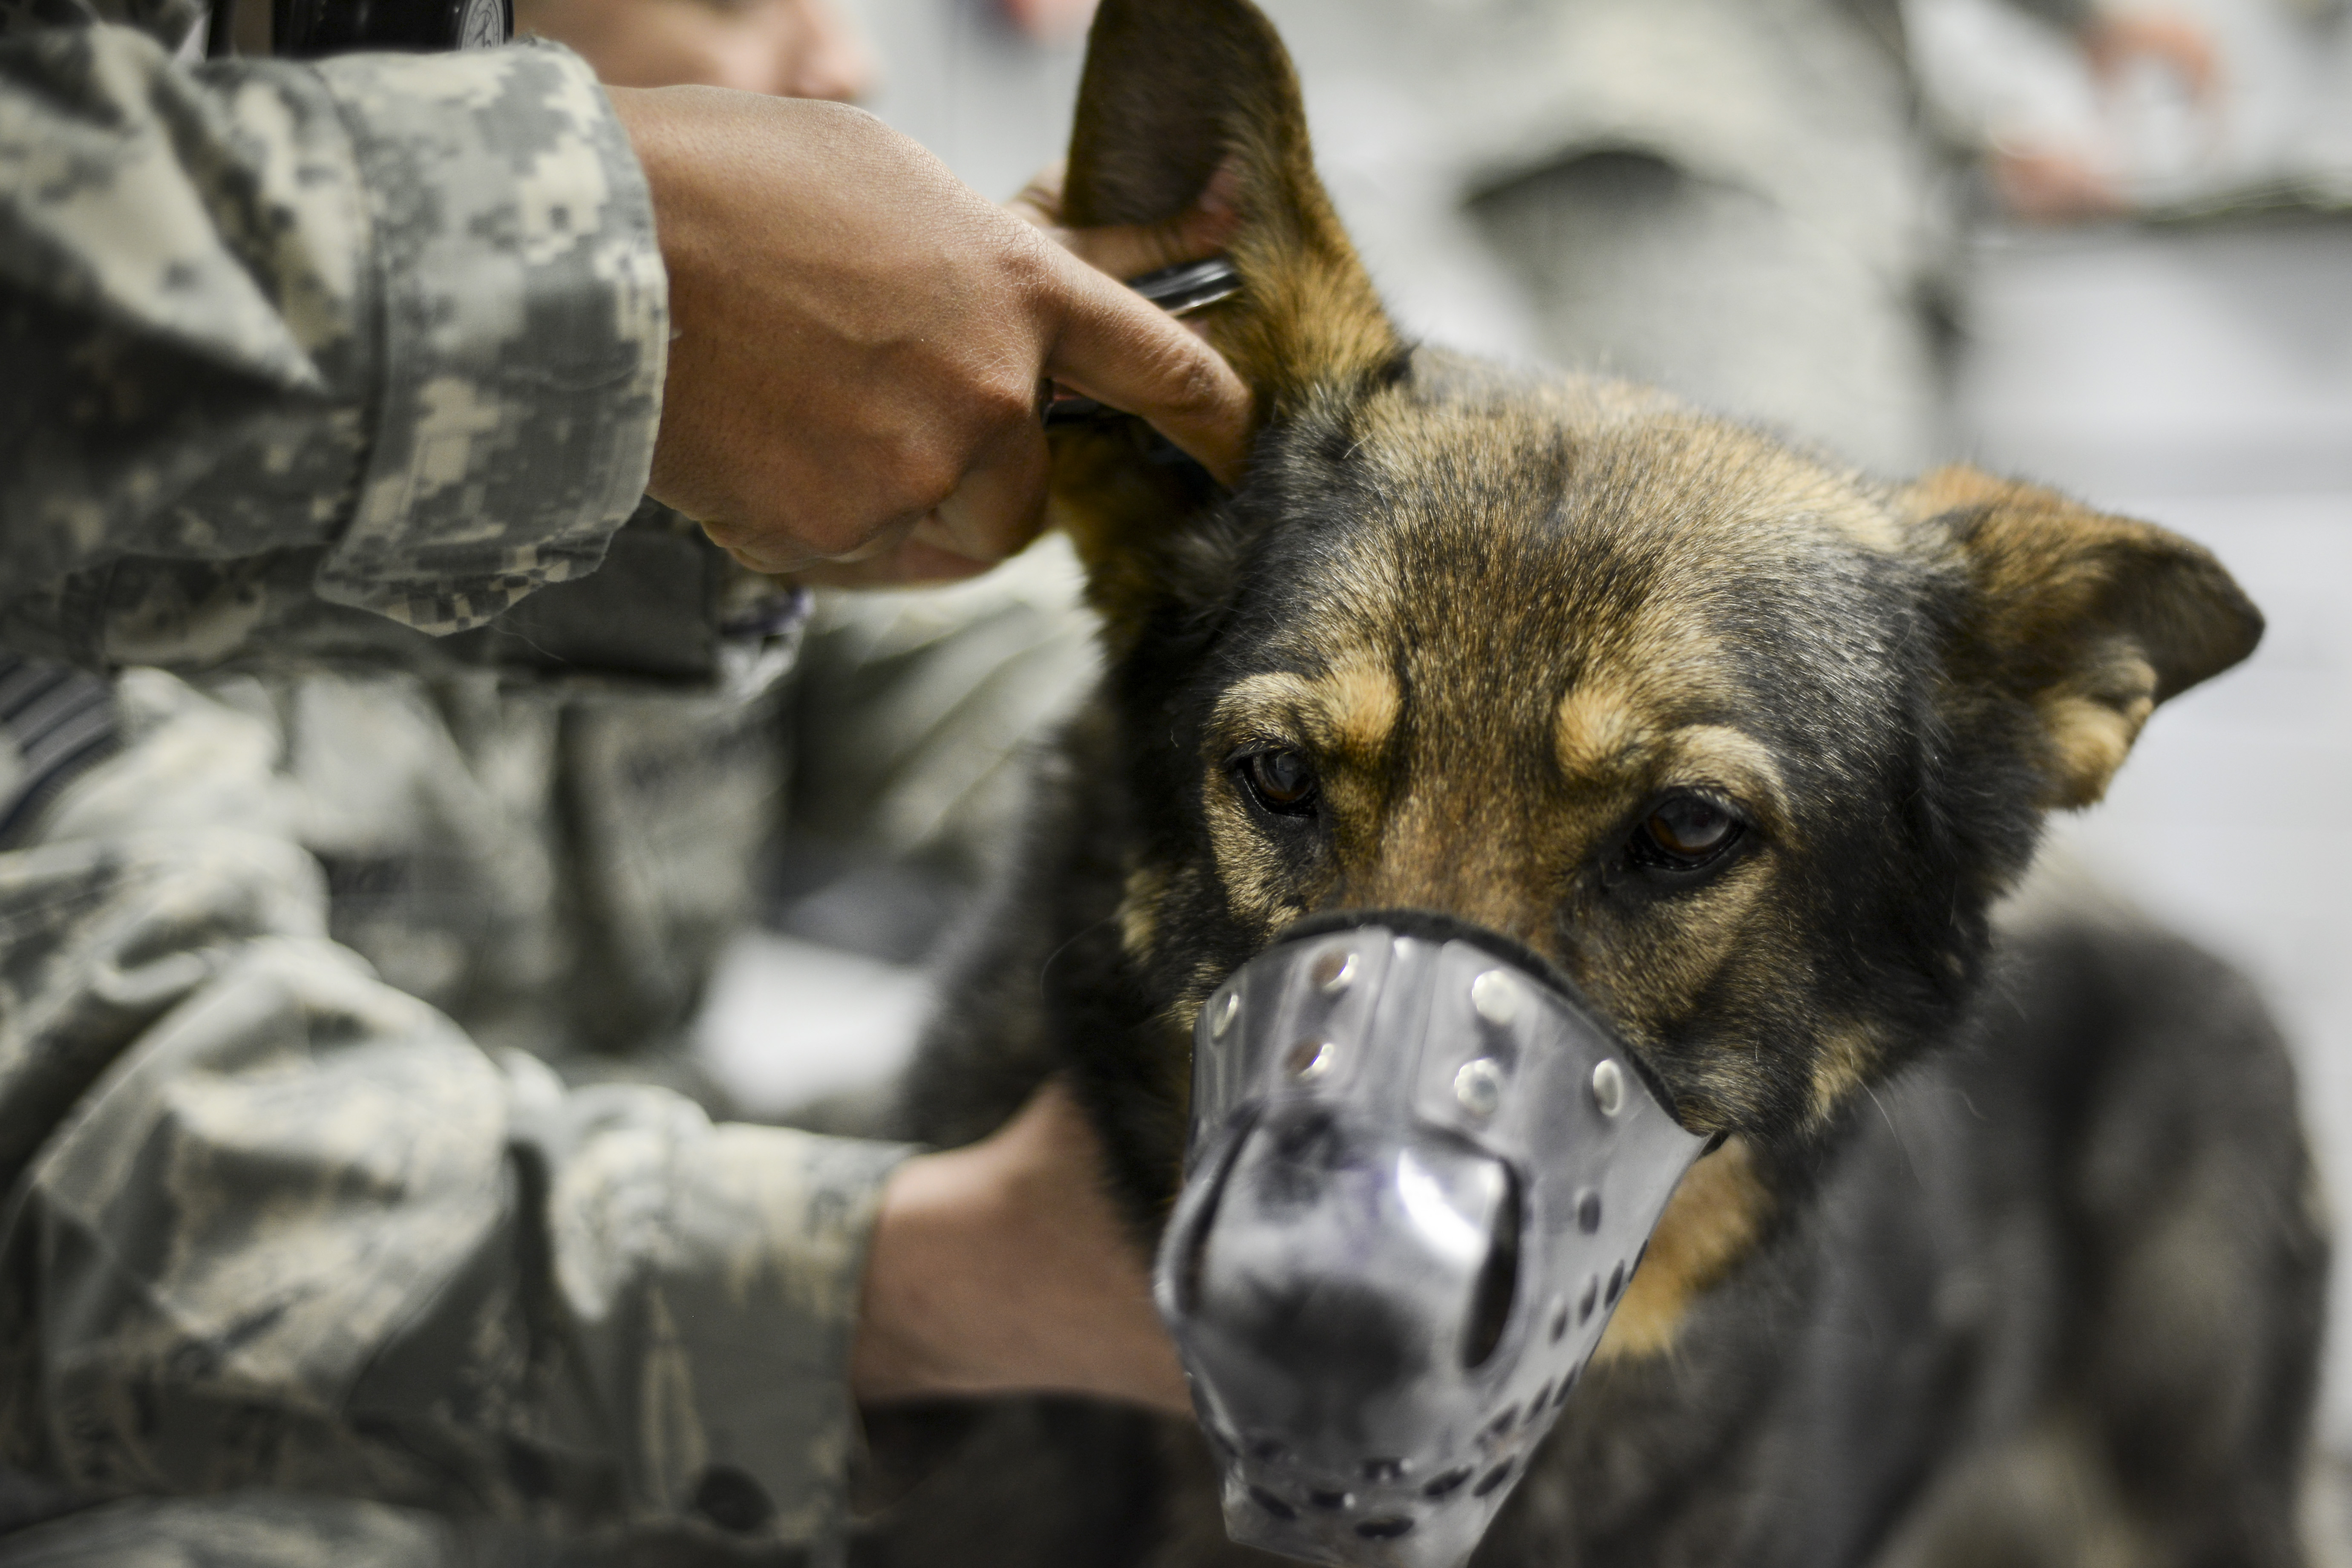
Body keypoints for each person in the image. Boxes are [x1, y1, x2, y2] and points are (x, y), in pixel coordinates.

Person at [0, 0, 1250, 1561]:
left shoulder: (645, 477)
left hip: (657, 1349)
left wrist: (1293, 796)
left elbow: (998, 708)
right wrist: (926, 1284)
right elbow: (110, 1181)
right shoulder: (95, 510)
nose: (843, 63)